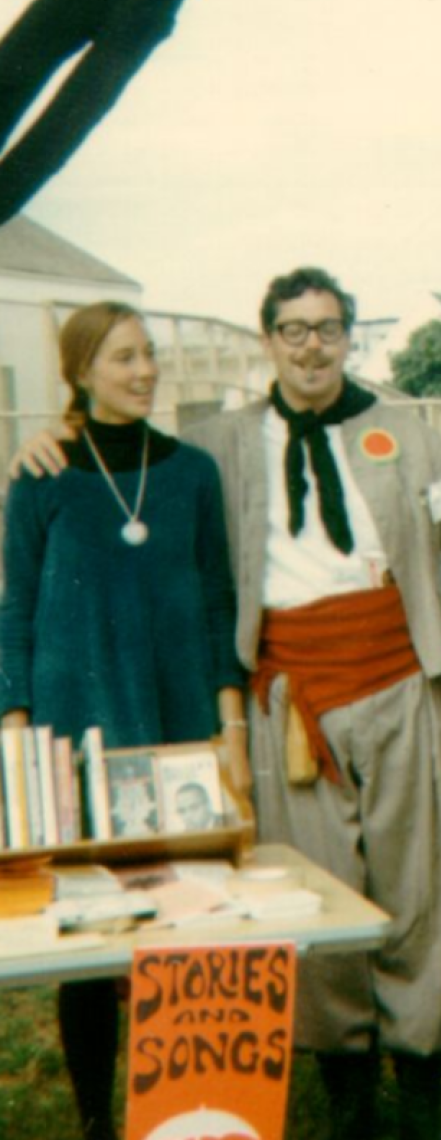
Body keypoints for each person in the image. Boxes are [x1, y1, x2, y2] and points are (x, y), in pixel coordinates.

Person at [12, 268, 441, 1140]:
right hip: (290, 701)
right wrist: (43, 446)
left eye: (328, 328)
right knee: (312, 896)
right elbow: (122, 475)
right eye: (293, 329)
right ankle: (347, 1093)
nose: (311, 346)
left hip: (397, 680)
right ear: (268, 339)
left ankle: (421, 1086)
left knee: (424, 891)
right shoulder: (221, 446)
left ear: (351, 335)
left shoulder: (410, 434)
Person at [0, 301, 249, 1140]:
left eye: (148, 355)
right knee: (92, 934)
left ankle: (184, 1113)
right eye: (122, 358)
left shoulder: (192, 474)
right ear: (79, 372)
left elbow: (218, 603)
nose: (144, 370)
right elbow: (15, 611)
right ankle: (98, 1121)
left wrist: (230, 729)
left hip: (177, 727)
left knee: (187, 920)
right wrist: (15, 735)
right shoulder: (39, 476)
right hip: (77, 733)